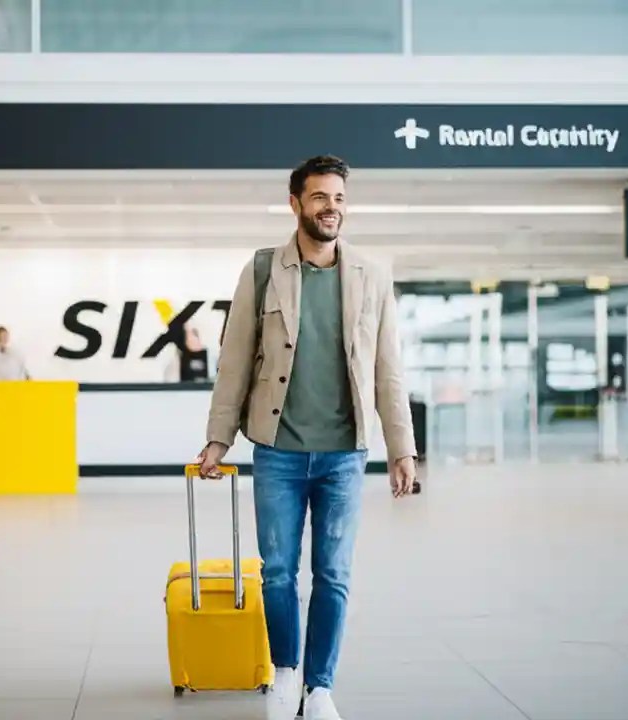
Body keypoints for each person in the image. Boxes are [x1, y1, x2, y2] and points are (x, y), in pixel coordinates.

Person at [195, 155, 417, 720]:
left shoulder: (372, 275)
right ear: (295, 203)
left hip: (345, 452)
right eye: (320, 198)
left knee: (334, 574)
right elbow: (235, 359)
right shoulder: (263, 269)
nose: (331, 209)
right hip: (278, 449)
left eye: (339, 199)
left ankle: (320, 687)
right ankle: (286, 673)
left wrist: (402, 449)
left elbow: (388, 368)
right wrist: (219, 438)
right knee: (276, 571)